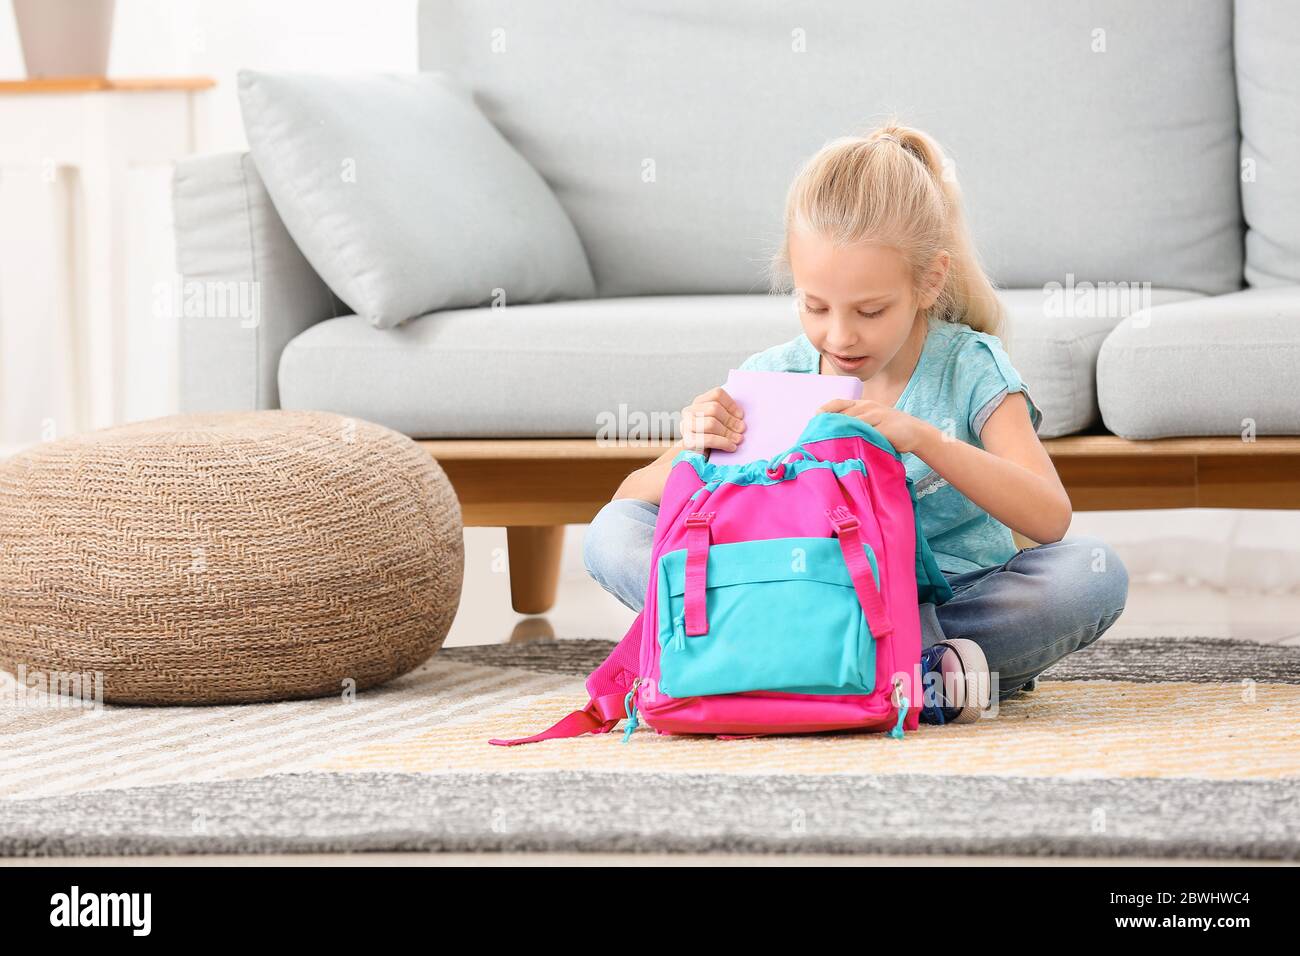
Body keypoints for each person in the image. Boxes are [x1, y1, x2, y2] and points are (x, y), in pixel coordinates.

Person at [583, 122, 1128, 725]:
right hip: (801, 594)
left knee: (1090, 573)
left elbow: (1050, 517)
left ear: (929, 281)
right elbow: (630, 500)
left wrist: (925, 440)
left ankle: (799, 664)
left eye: (870, 311)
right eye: (815, 306)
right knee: (610, 531)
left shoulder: (970, 366)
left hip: (943, 599)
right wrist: (698, 447)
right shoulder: (773, 377)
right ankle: (911, 675)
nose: (840, 336)